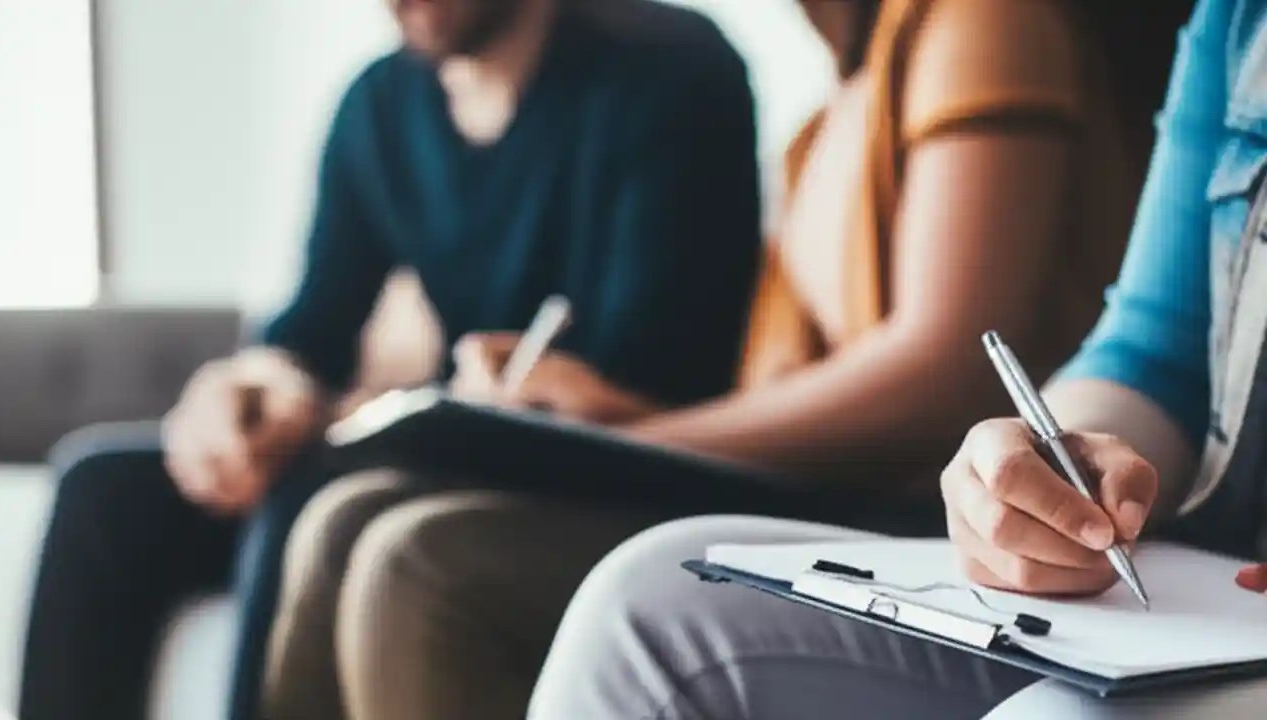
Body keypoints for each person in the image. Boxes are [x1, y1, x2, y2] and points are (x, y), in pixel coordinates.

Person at [266, 0, 1143, 718]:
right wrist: (610, 422)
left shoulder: (983, 23)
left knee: (422, 559)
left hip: (936, 527)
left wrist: (646, 433)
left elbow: (941, 370)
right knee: (347, 515)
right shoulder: (833, 110)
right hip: (847, 504)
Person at [16, 0, 764, 717]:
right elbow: (312, 331)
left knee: (313, 488)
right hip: (468, 434)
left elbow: (656, 364)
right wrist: (254, 391)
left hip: (613, 471)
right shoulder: (381, 104)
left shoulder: (668, 69)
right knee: (101, 489)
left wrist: (527, 395)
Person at [524, 0, 1267, 718]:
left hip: (914, 504)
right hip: (1210, 587)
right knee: (644, 599)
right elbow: (1153, 356)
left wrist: (620, 444)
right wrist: (1043, 463)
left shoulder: (981, 26)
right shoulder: (1235, 18)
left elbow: (936, 371)